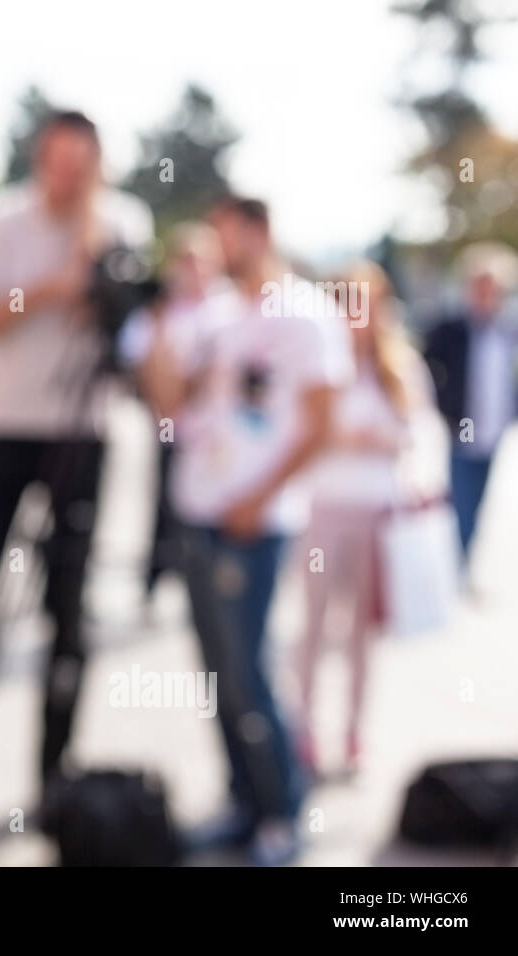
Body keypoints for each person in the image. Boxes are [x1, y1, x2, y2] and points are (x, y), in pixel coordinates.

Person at [0, 109, 152, 810]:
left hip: (82, 431)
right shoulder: (2, 221)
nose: (68, 180)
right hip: (6, 426)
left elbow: (132, 321)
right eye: (58, 164)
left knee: (69, 609)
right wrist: (50, 290)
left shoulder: (123, 222)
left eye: (81, 167)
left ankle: (54, 782)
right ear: (40, 160)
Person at [144, 197, 351, 865]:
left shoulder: (305, 314)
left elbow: (322, 425)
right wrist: (161, 321)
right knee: (218, 673)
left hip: (252, 525)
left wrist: (258, 499)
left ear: (257, 232)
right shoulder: (219, 315)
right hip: (200, 513)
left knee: (250, 673)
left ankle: (283, 813)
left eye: (227, 232)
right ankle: (243, 802)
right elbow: (170, 401)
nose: (215, 243)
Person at [296, 263, 432, 776]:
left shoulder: (398, 365)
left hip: (378, 511)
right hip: (323, 506)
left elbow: (413, 430)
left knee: (361, 632)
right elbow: (303, 429)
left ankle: (354, 729)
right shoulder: (321, 363)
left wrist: (372, 439)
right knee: (312, 624)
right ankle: (303, 725)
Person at [121, 221, 230, 622]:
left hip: (212, 437)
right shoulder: (160, 311)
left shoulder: (228, 309)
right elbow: (139, 360)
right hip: (170, 429)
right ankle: (154, 584)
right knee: (165, 508)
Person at [422, 242, 518, 579]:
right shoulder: (450, 329)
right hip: (462, 430)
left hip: (494, 432)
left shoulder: (508, 331)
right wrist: (444, 407)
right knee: (460, 502)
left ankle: (461, 565)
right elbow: (424, 370)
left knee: (479, 504)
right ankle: (453, 568)